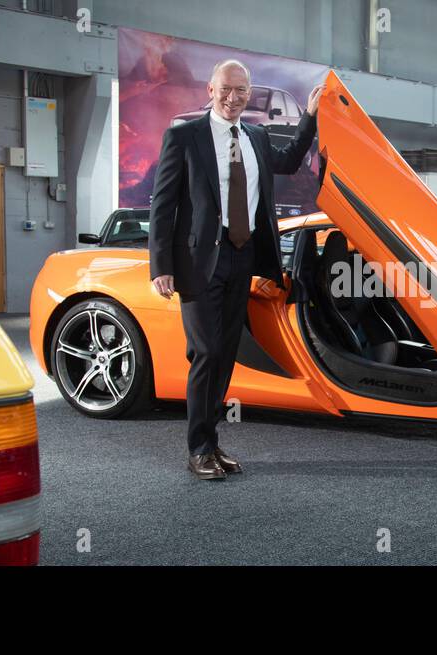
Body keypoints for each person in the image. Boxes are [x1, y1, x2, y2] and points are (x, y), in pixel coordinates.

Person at [148, 59, 323, 480]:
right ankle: (198, 449)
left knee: (225, 354)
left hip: (241, 256)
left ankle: (211, 442)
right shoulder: (184, 137)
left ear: (248, 94)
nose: (233, 97)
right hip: (197, 261)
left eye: (241, 91)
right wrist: (160, 266)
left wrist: (311, 118)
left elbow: (289, 161)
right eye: (226, 89)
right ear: (210, 89)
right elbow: (163, 204)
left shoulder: (257, 137)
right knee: (205, 352)